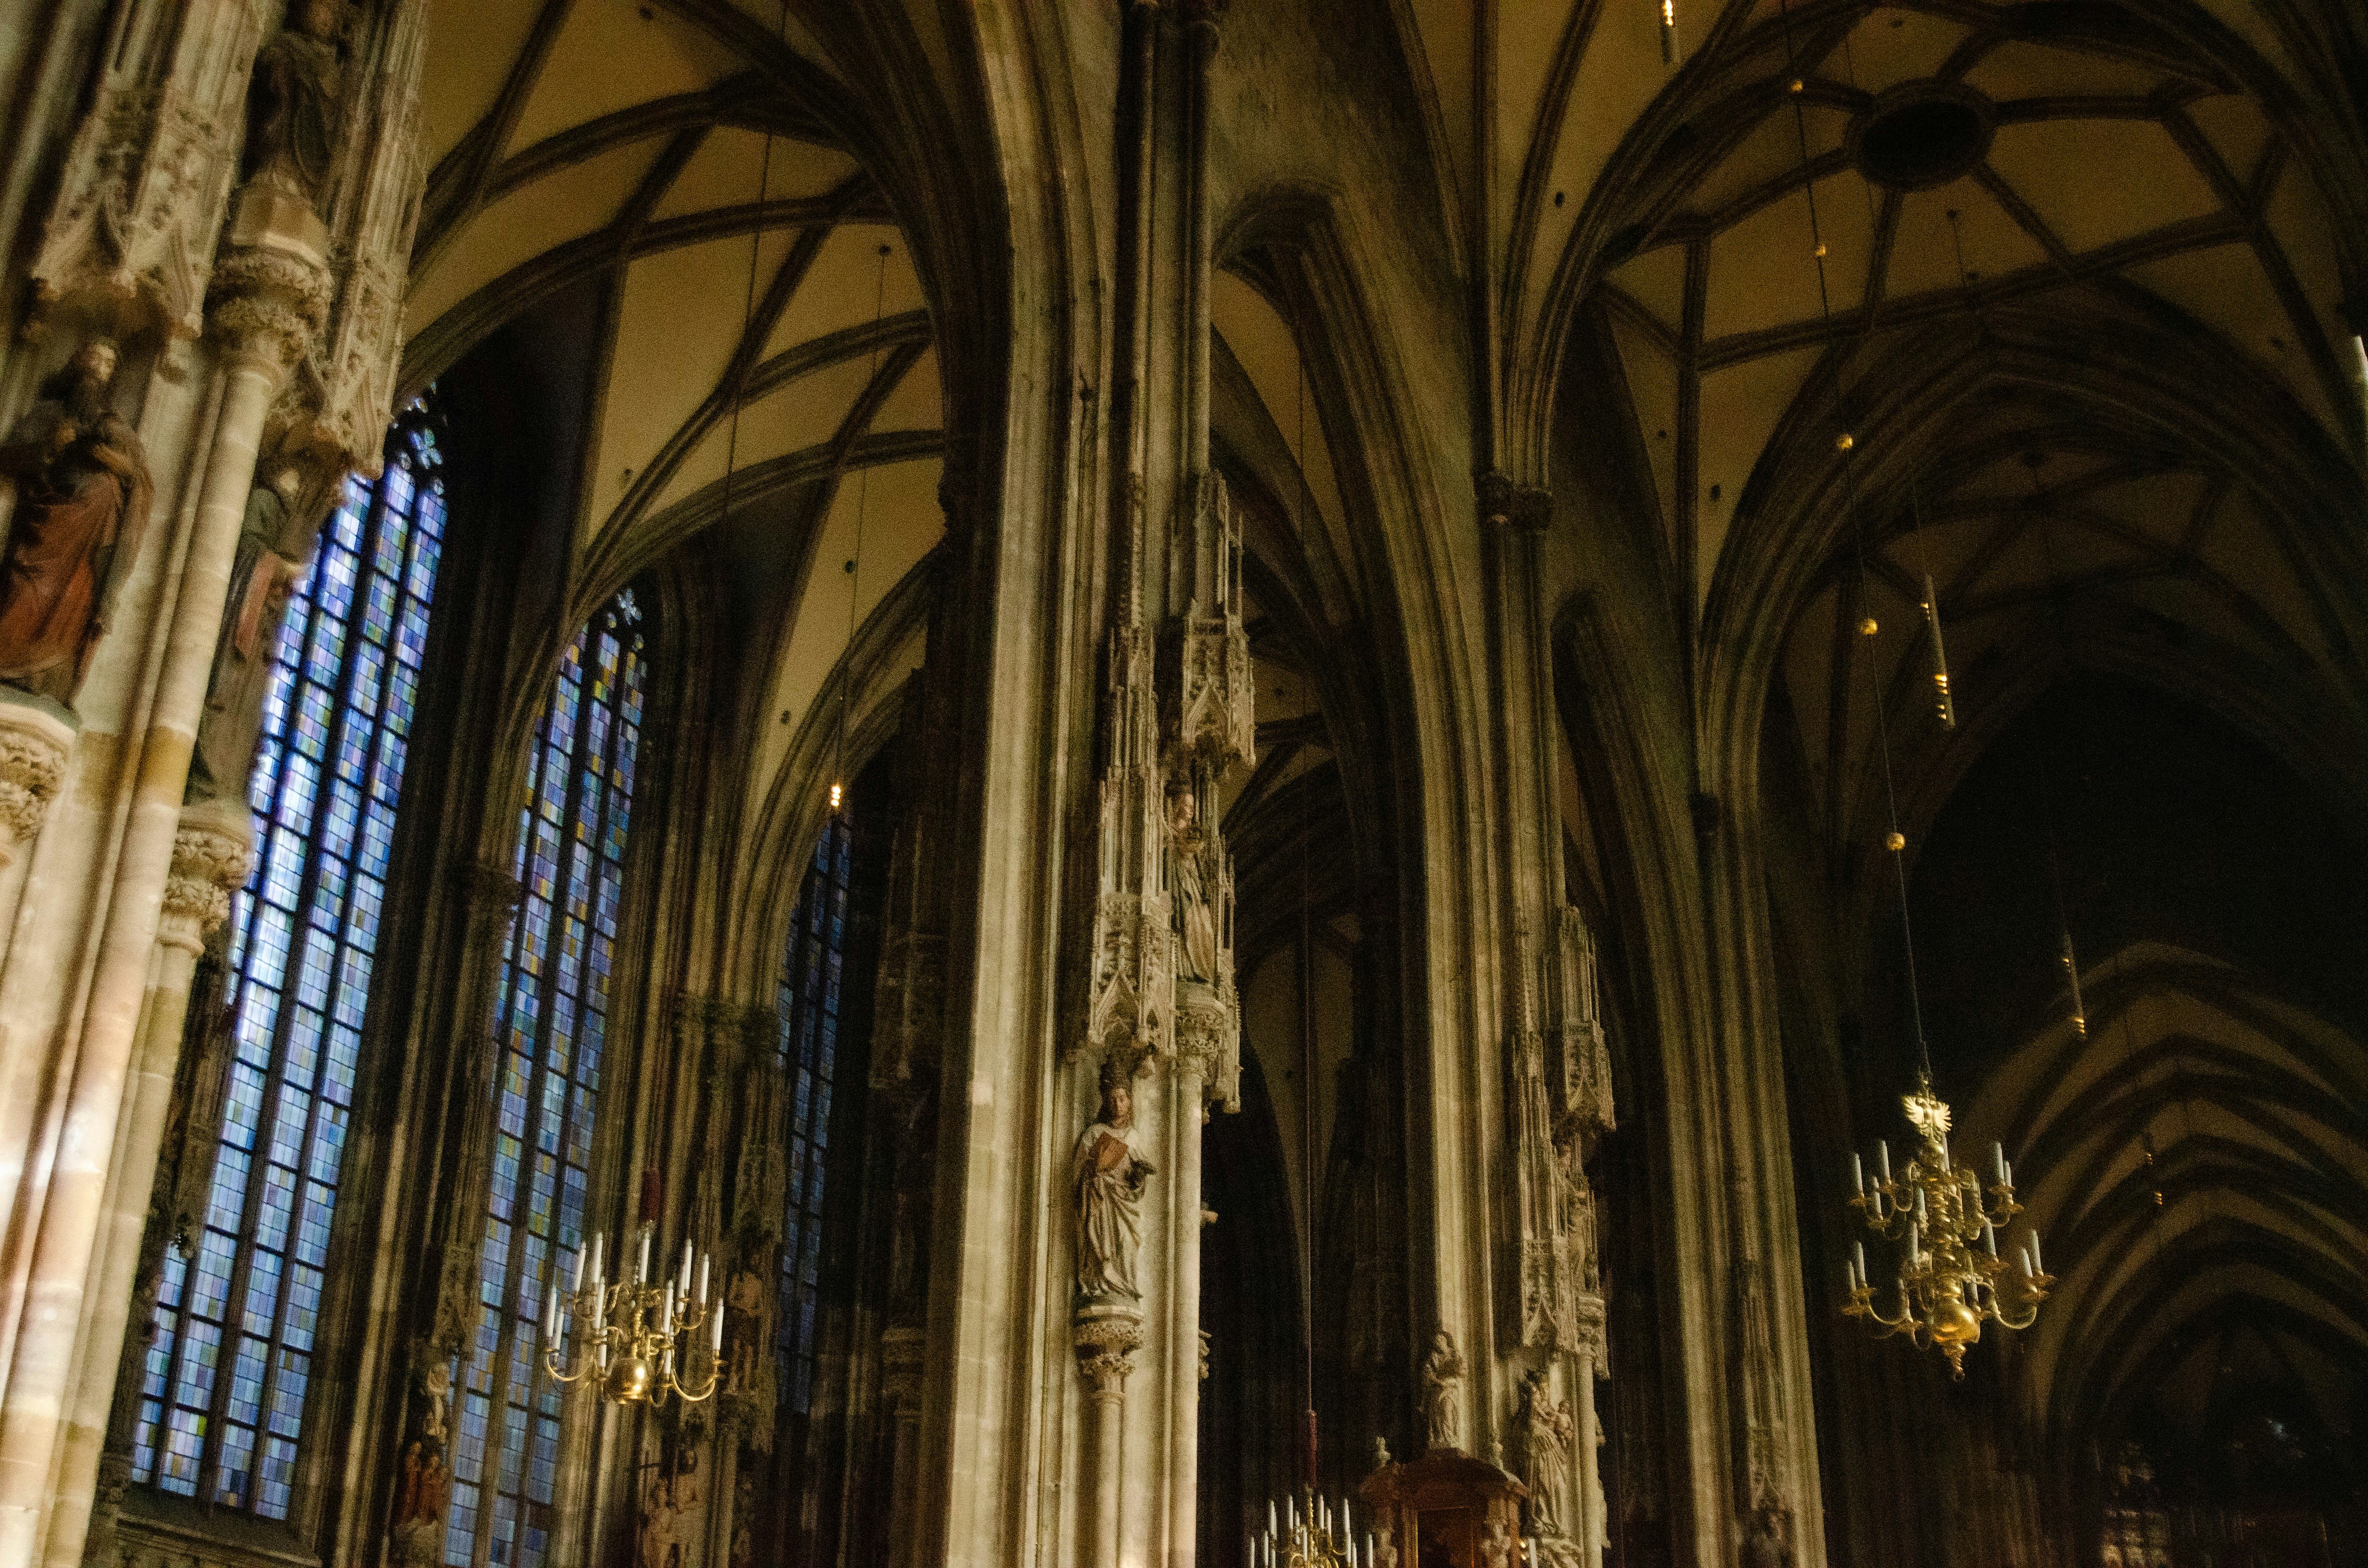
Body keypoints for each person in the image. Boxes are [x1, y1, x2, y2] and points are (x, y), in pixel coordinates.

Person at [0, 339, 149, 704]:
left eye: (108, 364)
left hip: (90, 547)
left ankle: (47, 679)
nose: (99, 368)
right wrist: (51, 446)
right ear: (77, 362)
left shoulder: (113, 426)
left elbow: (140, 479)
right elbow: (7, 459)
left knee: (74, 605)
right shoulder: (49, 413)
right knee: (25, 594)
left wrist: (116, 465)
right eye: (94, 358)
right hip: (45, 528)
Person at [1073, 1055, 1154, 1301]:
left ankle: (1126, 1284)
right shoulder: (1094, 1134)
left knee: (1127, 1245)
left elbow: (1139, 1182)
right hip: (1100, 1201)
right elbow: (1076, 1176)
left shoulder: (1134, 1137)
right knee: (1101, 1245)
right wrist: (1092, 1175)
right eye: (1112, 1099)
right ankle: (1099, 1283)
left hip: (1124, 1203)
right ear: (1105, 1102)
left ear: (1129, 1102)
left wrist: (1138, 1178)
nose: (1118, 1104)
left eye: (1122, 1099)